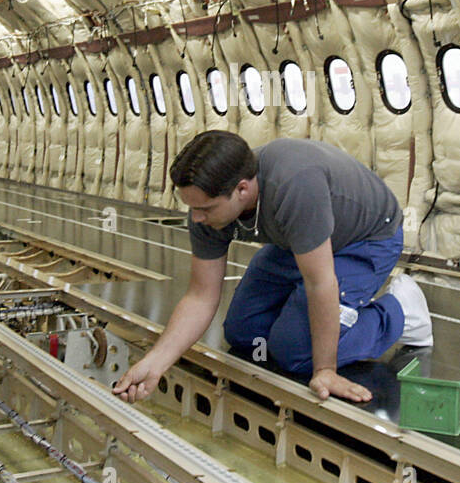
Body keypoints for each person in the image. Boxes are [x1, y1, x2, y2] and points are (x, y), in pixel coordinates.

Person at [113, 131, 431, 405]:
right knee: (244, 332)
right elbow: (200, 296)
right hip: (298, 242)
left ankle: (400, 311)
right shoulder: (206, 208)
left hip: (365, 239)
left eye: (205, 209)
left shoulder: (294, 186)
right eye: (191, 207)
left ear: (242, 190)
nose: (196, 218)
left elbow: (320, 282)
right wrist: (155, 362)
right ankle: (295, 329)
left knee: (297, 354)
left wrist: (324, 371)